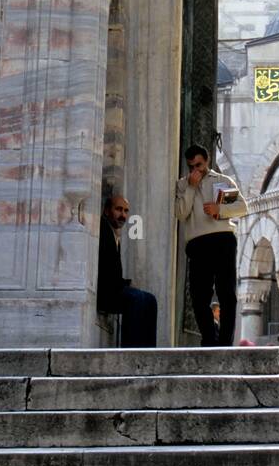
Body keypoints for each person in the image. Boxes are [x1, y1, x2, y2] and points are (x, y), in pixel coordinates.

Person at [175, 144, 248, 347]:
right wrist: (191, 187)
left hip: (223, 239)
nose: (195, 170)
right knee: (199, 295)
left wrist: (219, 209)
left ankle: (225, 342)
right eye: (191, 166)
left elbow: (241, 207)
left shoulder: (222, 181)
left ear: (207, 161)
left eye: (199, 165)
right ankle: (209, 338)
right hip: (198, 243)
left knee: (227, 293)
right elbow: (181, 213)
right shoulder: (182, 185)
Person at [96, 195, 158, 347]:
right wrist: (124, 285)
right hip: (105, 292)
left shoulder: (113, 233)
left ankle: (147, 352)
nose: (123, 215)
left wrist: (126, 283)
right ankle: (130, 350)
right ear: (106, 211)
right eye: (118, 209)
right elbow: (106, 273)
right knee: (136, 299)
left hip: (114, 288)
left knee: (150, 300)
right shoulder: (103, 230)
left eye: (125, 211)